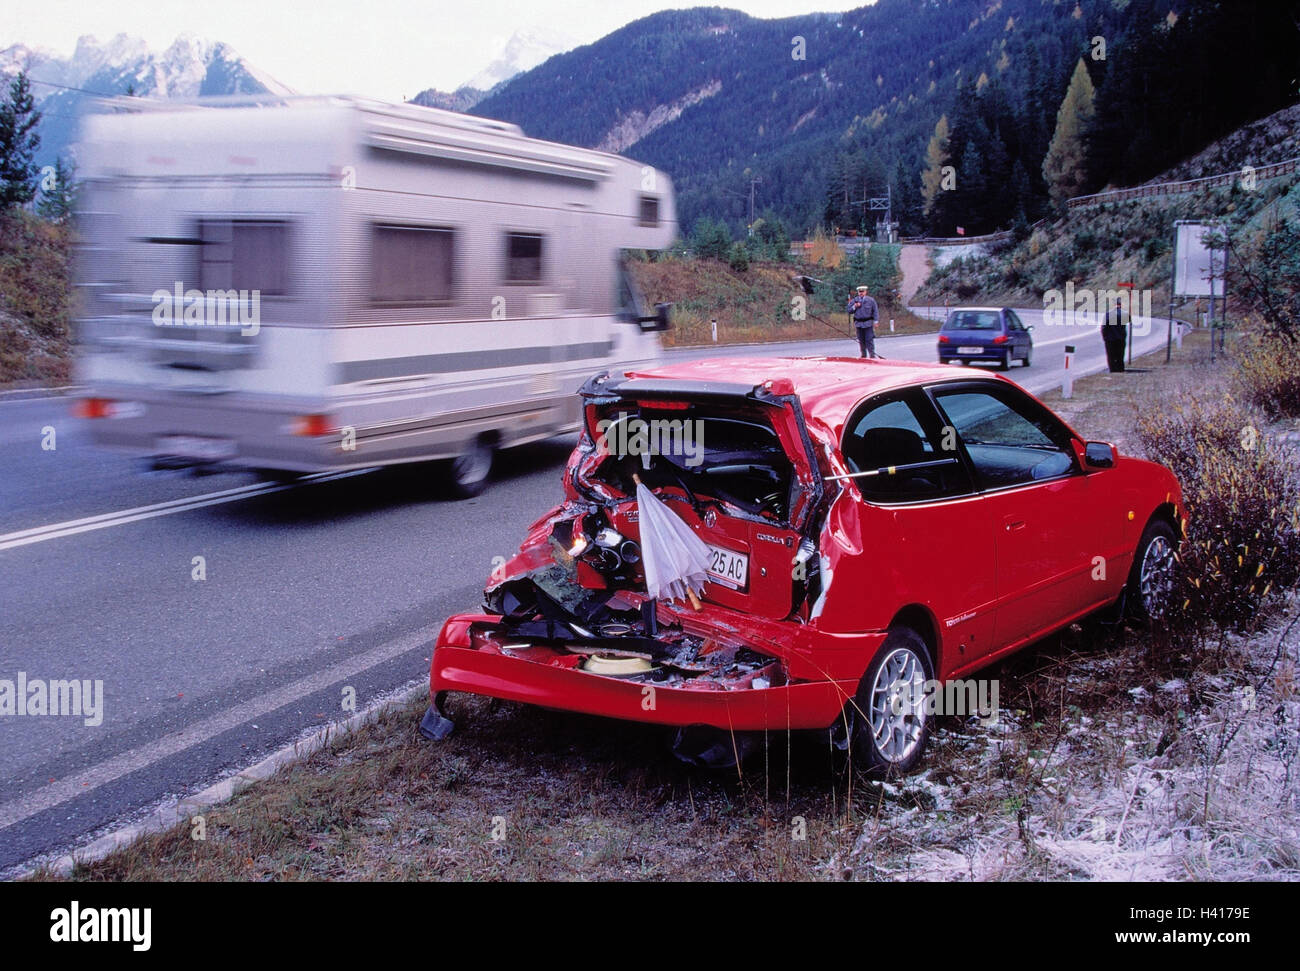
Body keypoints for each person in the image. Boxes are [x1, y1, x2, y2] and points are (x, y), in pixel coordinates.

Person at [846, 284, 881, 359]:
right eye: (859, 292)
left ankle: (872, 355)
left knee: (869, 340)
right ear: (858, 292)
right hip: (859, 324)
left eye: (863, 291)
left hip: (868, 323)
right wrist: (854, 306)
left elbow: (875, 311)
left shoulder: (871, 300)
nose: (861, 293)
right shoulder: (854, 300)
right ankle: (863, 355)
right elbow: (849, 310)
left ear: (866, 292)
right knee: (861, 340)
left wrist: (876, 321)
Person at [1101, 297, 1128, 372]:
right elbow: (1129, 320)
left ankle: (1112, 370)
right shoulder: (1124, 313)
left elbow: (1104, 327)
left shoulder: (1108, 314)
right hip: (1121, 338)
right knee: (1120, 355)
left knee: (1111, 356)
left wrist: (1104, 337)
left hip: (1110, 339)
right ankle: (1120, 369)